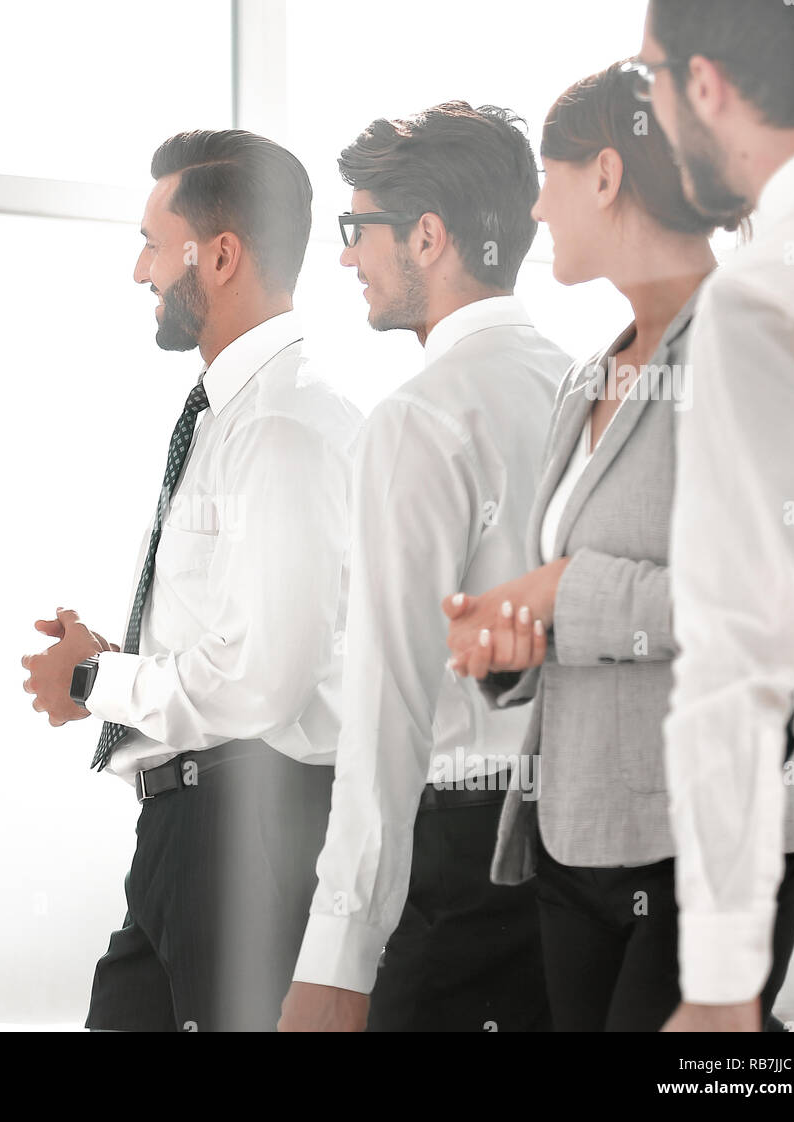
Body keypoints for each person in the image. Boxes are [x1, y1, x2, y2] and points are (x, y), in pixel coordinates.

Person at [442, 61, 794, 1032]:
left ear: (604, 174)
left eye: (549, 175)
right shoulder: (583, 383)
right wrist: (510, 641)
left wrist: (565, 593)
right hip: (575, 845)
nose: (535, 206)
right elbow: (575, 609)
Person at [20, 130, 362, 1031]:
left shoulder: (285, 424)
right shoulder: (230, 415)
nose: (139, 270)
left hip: (247, 834)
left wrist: (97, 682)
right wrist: (112, 660)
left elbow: (263, 678)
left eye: (150, 242)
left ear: (219, 254)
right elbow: (230, 637)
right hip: (187, 832)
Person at [280, 103, 569, 1032]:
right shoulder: (587, 388)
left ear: (430, 237)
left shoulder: (416, 420)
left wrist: (337, 956)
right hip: (576, 861)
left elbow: (386, 705)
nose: (345, 257)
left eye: (357, 229)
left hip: (455, 861)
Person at [635, 0, 794, 1031]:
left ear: (705, 85)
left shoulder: (767, 290)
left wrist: (718, 986)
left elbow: (734, 648)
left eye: (652, 82)